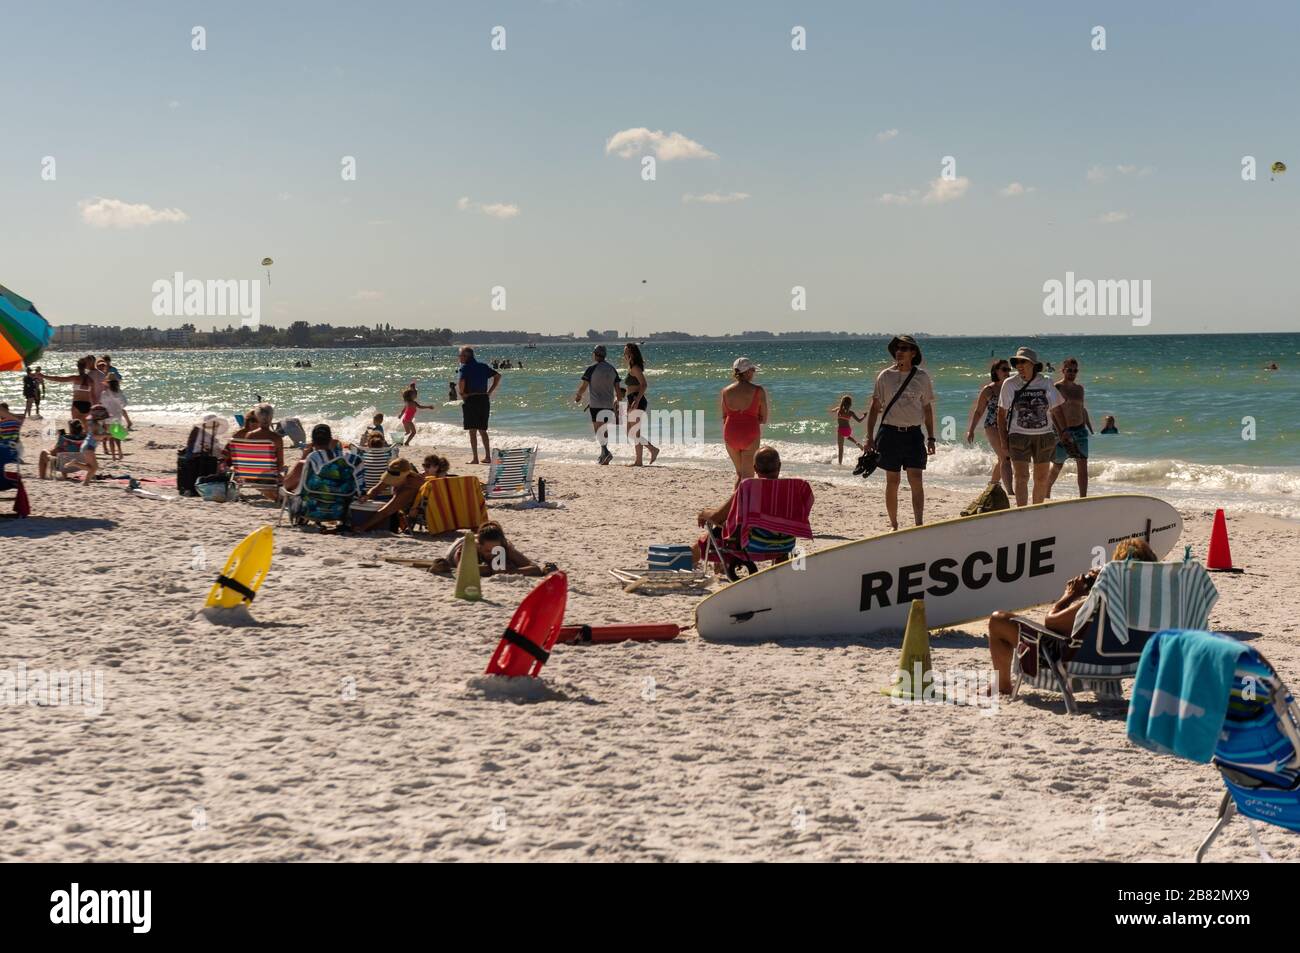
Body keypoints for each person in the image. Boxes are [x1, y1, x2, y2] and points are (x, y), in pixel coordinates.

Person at [985, 537, 1157, 695]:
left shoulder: (1106, 598)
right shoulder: (1157, 606)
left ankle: (1002, 685)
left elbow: (1052, 623)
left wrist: (1070, 595)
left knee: (998, 619)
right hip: (1125, 663)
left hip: (1077, 663)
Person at [865, 335, 937, 529]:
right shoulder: (885, 376)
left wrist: (931, 437)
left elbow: (928, 409)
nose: (899, 351)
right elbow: (874, 407)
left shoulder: (922, 377)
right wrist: (869, 438)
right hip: (889, 434)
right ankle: (894, 524)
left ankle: (919, 523)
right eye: (897, 348)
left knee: (916, 479)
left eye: (904, 348)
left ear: (913, 353)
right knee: (893, 480)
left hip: (914, 434)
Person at [690, 445, 790, 567]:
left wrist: (703, 513)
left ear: (755, 468)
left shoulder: (748, 488)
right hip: (784, 544)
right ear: (779, 466)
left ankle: (682, 561)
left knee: (712, 535)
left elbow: (717, 517)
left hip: (752, 546)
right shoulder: (792, 490)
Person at [998, 347, 1068, 507]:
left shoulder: (1046, 383)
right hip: (1018, 436)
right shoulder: (1010, 384)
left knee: (1041, 479)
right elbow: (1001, 414)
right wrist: (1003, 442)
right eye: (1017, 362)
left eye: (1023, 362)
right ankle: (1022, 512)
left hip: (1044, 436)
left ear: (1033, 364)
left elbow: (1057, 409)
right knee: (1021, 477)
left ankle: (1036, 510)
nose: (1019, 365)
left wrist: (1065, 431)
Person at [433, 520, 554, 577]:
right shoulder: (471, 548)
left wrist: (512, 572)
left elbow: (534, 568)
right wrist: (493, 568)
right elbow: (463, 571)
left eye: (496, 550)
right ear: (480, 547)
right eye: (487, 551)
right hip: (457, 546)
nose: (492, 554)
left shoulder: (505, 547)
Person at [1046, 357, 1094, 499]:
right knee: (1057, 465)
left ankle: (1083, 498)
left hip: (1080, 431)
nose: (1072, 373)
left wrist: (1088, 427)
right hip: (1063, 432)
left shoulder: (1080, 389)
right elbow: (1053, 412)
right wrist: (1060, 432)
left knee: (1083, 465)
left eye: (1075, 370)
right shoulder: (1057, 388)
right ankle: (1047, 488)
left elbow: (1082, 410)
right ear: (1063, 370)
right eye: (1069, 370)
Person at [965, 359, 1014, 494]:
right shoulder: (989, 390)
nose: (1007, 372)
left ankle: (992, 485)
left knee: (1002, 458)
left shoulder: (1011, 387)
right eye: (1004, 369)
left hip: (1009, 426)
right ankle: (1010, 492)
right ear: (995, 371)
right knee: (1005, 457)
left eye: (1008, 370)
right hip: (992, 425)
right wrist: (971, 430)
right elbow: (979, 411)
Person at [720, 357, 767, 481]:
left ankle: (736, 500)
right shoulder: (758, 391)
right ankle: (743, 501)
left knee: (740, 475)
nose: (754, 373)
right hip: (749, 433)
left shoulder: (725, 391)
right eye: (752, 370)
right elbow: (764, 418)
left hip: (730, 433)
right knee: (747, 478)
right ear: (746, 372)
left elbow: (724, 416)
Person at [574, 345, 622, 465]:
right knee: (604, 429)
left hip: (596, 405)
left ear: (595, 354)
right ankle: (603, 456)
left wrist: (578, 396)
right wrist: (618, 402)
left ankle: (606, 452)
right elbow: (618, 390)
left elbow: (584, 386)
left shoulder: (591, 368)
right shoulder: (612, 369)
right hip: (608, 405)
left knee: (598, 430)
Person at [456, 347, 501, 464]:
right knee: (483, 429)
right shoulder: (482, 366)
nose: (459, 357)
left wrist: (462, 394)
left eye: (460, 355)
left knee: (472, 430)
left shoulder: (465, 368)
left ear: (467, 356)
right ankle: (487, 457)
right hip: (483, 399)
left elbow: (461, 383)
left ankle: (475, 458)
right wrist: (489, 392)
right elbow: (497, 376)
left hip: (471, 398)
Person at [354, 458, 424, 532]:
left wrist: (363, 527)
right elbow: (377, 489)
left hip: (411, 510)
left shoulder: (410, 487)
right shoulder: (399, 475)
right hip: (399, 508)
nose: (390, 481)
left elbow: (386, 511)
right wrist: (367, 496)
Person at [622, 343, 660, 466]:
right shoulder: (631, 367)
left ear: (633, 353)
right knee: (629, 431)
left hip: (636, 400)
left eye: (627, 351)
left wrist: (636, 400)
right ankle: (652, 449)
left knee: (635, 432)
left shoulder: (635, 367)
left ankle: (639, 461)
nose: (625, 354)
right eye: (624, 352)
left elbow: (644, 384)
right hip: (631, 400)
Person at [283, 424, 348, 493]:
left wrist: (304, 456)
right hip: (340, 501)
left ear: (313, 442)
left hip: (313, 502)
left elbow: (287, 485)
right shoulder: (346, 461)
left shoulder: (308, 462)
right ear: (330, 440)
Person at [38, 358, 98, 424]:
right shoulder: (90, 381)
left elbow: (58, 379)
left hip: (77, 403)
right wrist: (95, 407)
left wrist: (44, 376)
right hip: (87, 404)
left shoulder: (76, 378)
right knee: (86, 427)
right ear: (85, 367)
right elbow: (93, 396)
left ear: (78, 367)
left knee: (76, 425)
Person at [831, 395, 866, 465]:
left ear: (842, 402)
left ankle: (840, 463)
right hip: (848, 430)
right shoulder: (851, 413)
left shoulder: (839, 410)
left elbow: (832, 410)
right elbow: (859, 421)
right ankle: (857, 443)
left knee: (840, 448)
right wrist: (864, 416)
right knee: (847, 436)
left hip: (841, 430)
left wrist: (833, 410)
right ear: (850, 404)